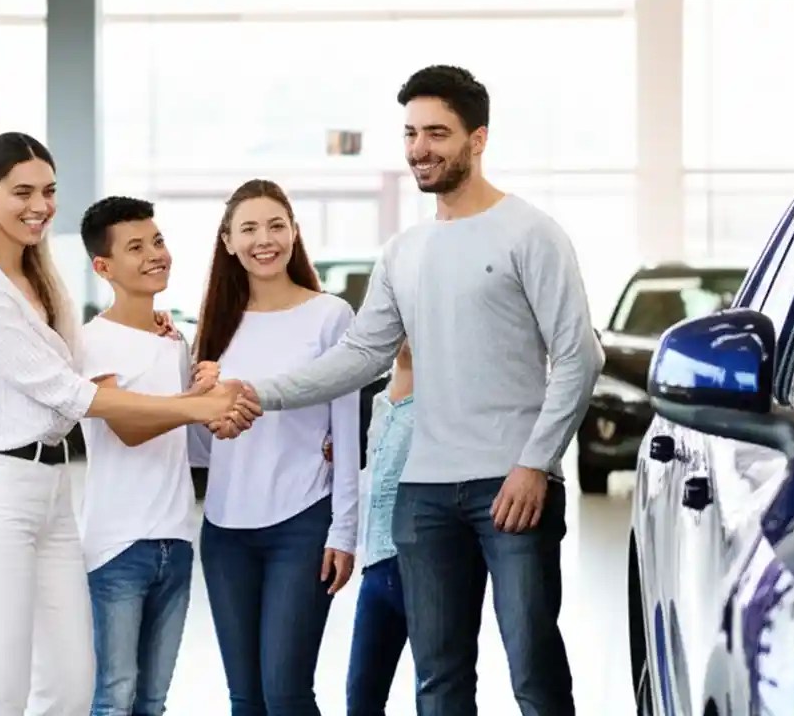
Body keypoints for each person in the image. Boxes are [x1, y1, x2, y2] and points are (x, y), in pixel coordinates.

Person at [239, 65, 605, 716]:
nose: (419, 149)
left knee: (534, 671)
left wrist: (535, 463)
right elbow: (359, 356)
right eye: (410, 133)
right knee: (437, 681)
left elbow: (580, 355)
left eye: (437, 132)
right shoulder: (404, 251)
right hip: (424, 494)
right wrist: (257, 393)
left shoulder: (530, 232)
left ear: (478, 138)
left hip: (512, 487)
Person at [0, 132, 258, 716]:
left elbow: (88, 364)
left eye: (47, 191)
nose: (39, 205)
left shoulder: (46, 284)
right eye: (22, 191)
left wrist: (154, 334)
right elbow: (73, 394)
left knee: (72, 685)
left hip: (51, 491)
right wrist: (196, 406)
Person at [192, 178, 361, 716]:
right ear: (227, 241)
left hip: (303, 522)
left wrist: (345, 530)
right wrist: (196, 398)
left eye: (275, 225)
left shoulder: (331, 316)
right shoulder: (215, 327)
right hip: (224, 530)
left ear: (294, 233)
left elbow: (349, 433)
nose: (264, 239)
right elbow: (201, 446)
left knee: (286, 694)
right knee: (246, 699)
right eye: (248, 228)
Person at [76, 195, 212, 716]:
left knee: (153, 701)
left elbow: (186, 434)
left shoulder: (172, 340)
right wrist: (200, 404)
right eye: (135, 247)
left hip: (177, 539)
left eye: (157, 241)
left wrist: (203, 388)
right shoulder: (92, 341)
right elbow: (130, 427)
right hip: (116, 547)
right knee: (115, 696)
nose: (155, 254)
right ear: (103, 267)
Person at [346, 341, 415, 716]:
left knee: (435, 690)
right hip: (375, 566)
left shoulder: (444, 400)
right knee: (361, 698)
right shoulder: (377, 398)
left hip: (420, 563)